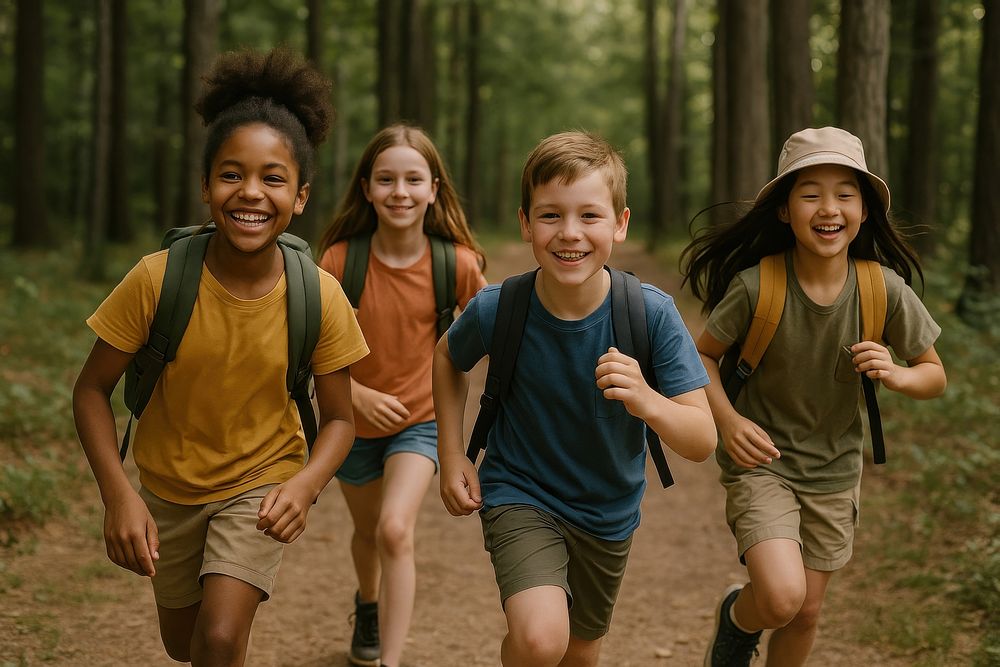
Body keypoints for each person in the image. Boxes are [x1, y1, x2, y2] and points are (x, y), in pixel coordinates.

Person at [72, 48, 369, 666]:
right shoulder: (156, 281)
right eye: (231, 174)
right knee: (186, 644)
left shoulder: (318, 293)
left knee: (218, 637)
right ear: (206, 187)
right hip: (166, 488)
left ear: (302, 196)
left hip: (258, 486)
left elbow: (340, 418)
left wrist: (307, 485)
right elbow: (90, 390)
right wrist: (119, 496)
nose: (251, 193)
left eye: (273, 178)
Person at [433, 131, 718, 667]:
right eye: (550, 216)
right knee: (542, 640)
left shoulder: (651, 315)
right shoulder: (499, 307)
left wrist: (646, 398)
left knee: (580, 652)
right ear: (525, 223)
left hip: (607, 511)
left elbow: (702, 441)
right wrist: (451, 455)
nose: (570, 234)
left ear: (620, 223)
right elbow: (447, 358)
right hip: (520, 491)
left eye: (589, 216)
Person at [681, 127, 947, 667]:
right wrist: (728, 422)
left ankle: (744, 616)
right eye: (810, 194)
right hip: (763, 463)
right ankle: (739, 616)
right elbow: (699, 357)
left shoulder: (884, 289)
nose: (829, 208)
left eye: (845, 194)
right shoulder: (759, 286)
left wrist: (896, 373)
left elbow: (934, 375)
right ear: (784, 210)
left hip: (834, 470)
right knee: (781, 598)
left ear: (865, 210)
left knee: (805, 614)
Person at [316, 123, 487, 667]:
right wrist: (356, 394)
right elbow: (306, 352)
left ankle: (389, 661)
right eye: (386, 179)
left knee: (395, 529)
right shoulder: (341, 262)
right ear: (366, 187)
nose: (400, 192)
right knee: (367, 532)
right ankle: (368, 604)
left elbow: (497, 337)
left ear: (434, 188)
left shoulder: (455, 264)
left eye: (414, 179)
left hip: (421, 419)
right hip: (350, 421)